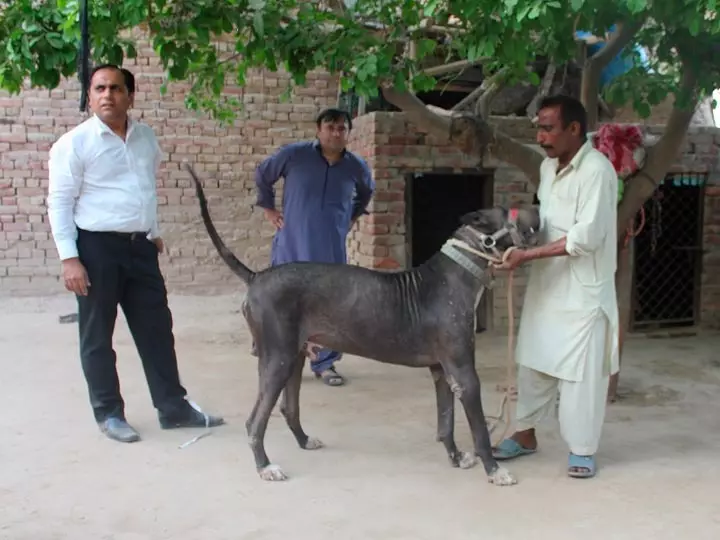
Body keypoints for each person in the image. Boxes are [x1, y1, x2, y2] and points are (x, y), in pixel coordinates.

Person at [46, 64, 224, 444]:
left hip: (140, 248)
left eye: (115, 88)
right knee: (97, 336)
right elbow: (59, 203)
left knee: (157, 329)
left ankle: (173, 408)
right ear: (90, 96)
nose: (107, 95)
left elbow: (145, 188)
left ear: (130, 95)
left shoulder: (144, 137)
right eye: (99, 88)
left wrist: (154, 232)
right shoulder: (73, 144)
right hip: (95, 249)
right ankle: (109, 413)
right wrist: (69, 258)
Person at [491, 95, 619, 478]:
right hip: (547, 285)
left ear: (574, 129)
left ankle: (582, 450)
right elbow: (546, 220)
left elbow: (585, 238)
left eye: (548, 127)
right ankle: (525, 435)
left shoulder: (597, 170)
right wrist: (512, 238)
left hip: (583, 292)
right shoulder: (548, 168)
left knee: (580, 377)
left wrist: (526, 257)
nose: (540, 135)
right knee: (533, 360)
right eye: (539, 128)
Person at [253, 108, 375, 386]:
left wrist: (353, 216)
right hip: (292, 244)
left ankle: (325, 363)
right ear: (318, 130)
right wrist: (269, 209)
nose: (336, 133)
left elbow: (367, 192)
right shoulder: (295, 155)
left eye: (342, 128)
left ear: (347, 133)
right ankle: (277, 359)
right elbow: (263, 174)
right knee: (282, 300)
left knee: (331, 304)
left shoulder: (356, 166)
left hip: (330, 248)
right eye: (330, 127)